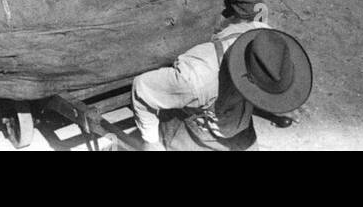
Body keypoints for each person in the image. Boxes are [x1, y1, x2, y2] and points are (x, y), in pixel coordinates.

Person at [132, 24, 312, 151]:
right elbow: (142, 88)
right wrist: (151, 142)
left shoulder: (264, 39)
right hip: (195, 132)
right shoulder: (196, 80)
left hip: (237, 125)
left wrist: (276, 106)